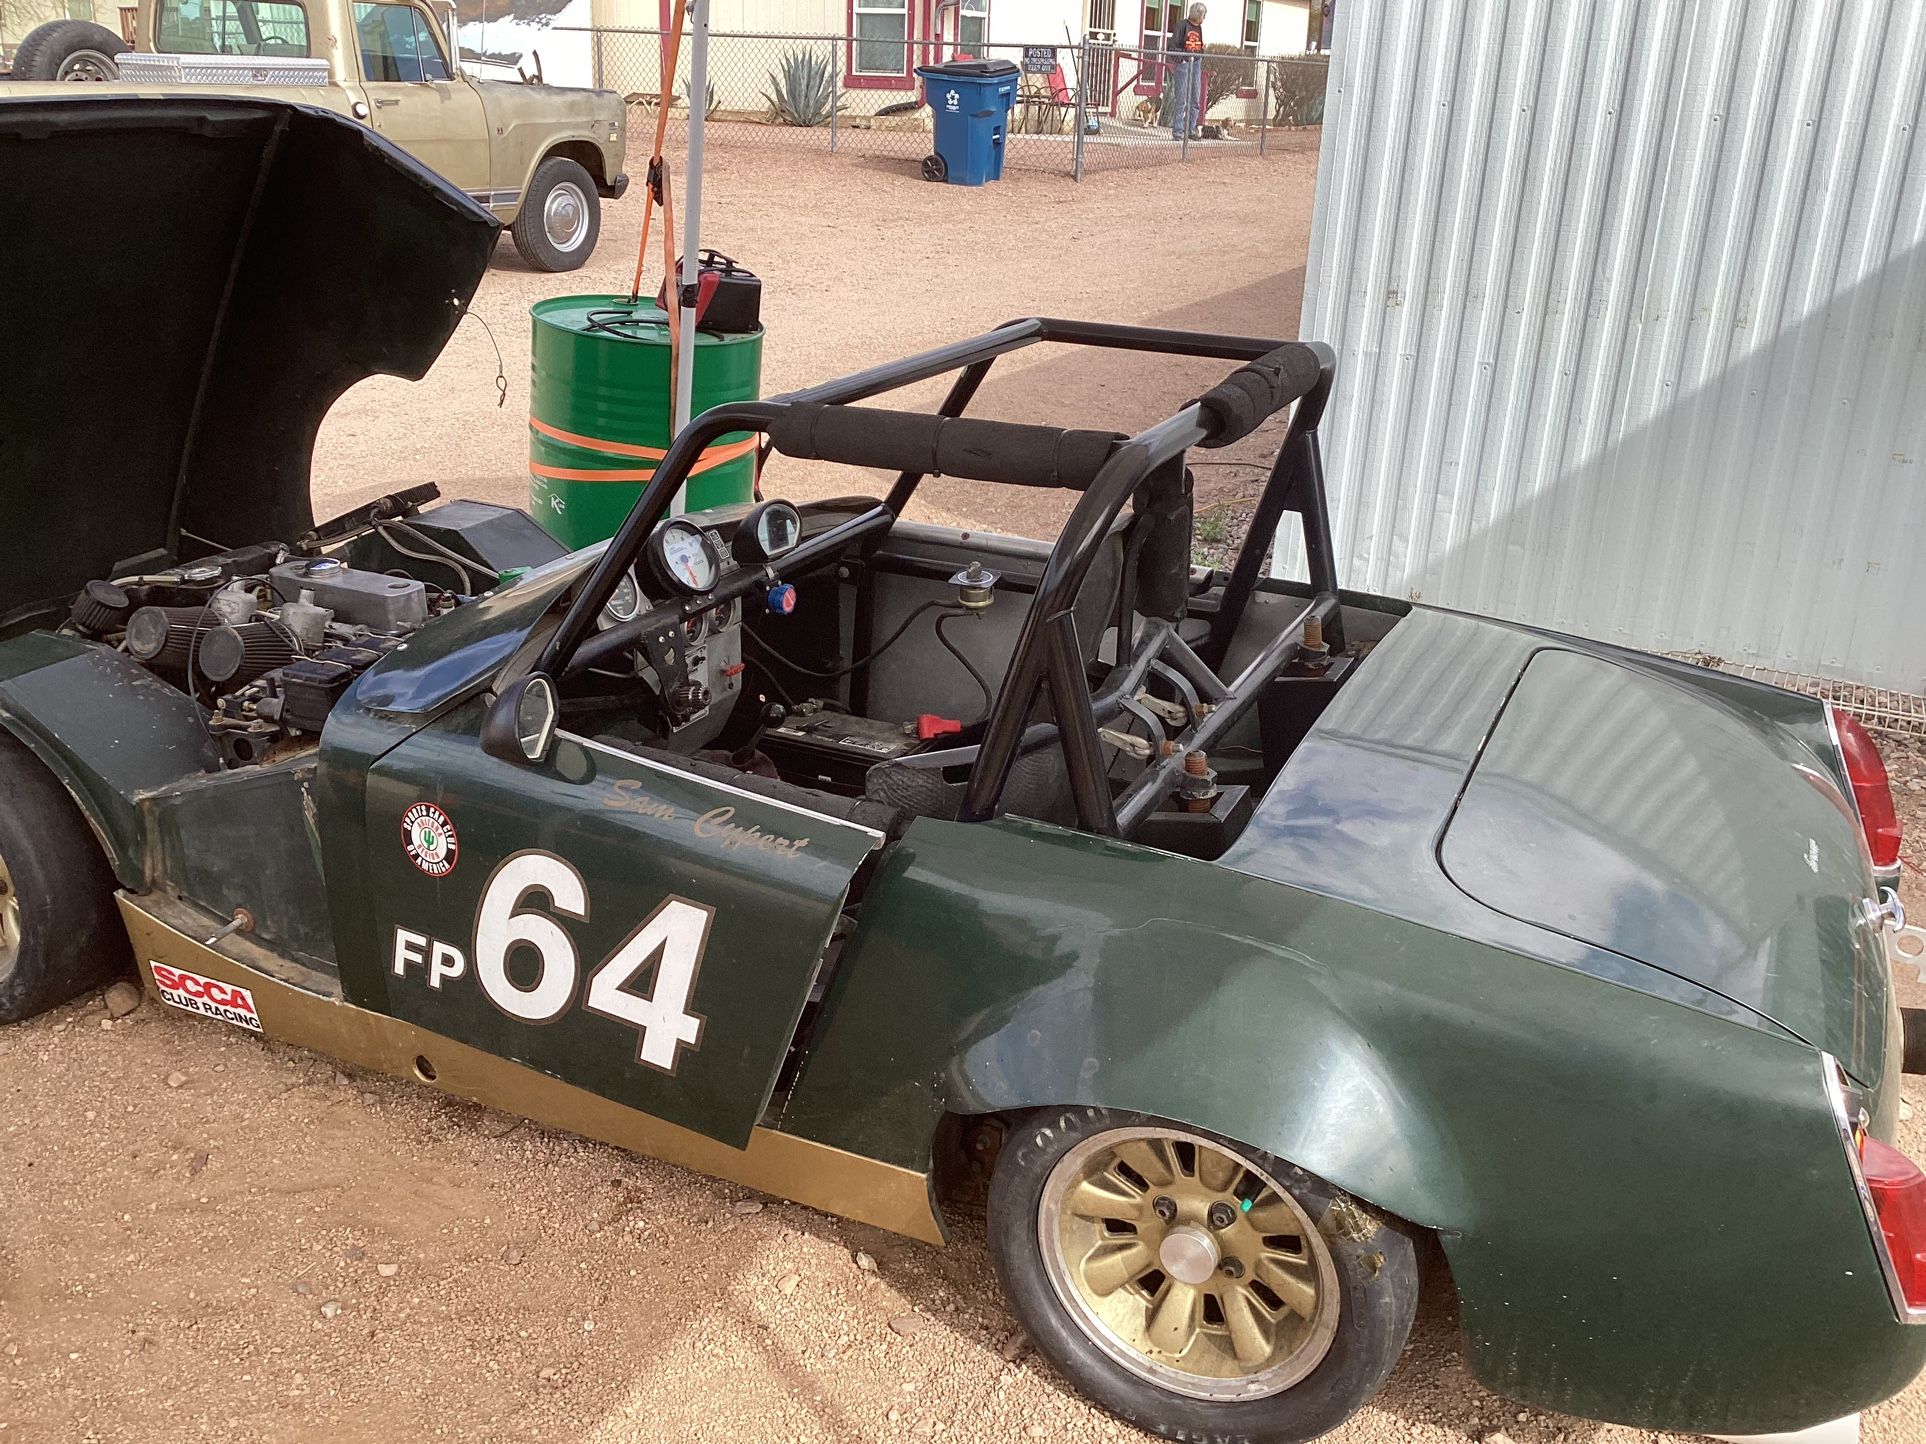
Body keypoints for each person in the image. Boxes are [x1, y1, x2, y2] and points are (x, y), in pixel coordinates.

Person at [1168, 2, 1207, 140]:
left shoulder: (1199, 28)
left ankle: (1190, 130)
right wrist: (1182, 59)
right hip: (1183, 64)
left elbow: (1199, 45)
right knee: (1181, 99)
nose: (1204, 18)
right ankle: (1178, 131)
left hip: (1196, 63)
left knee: (1195, 98)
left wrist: (1200, 52)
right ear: (1198, 15)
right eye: (1203, 15)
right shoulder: (1182, 25)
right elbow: (1172, 46)